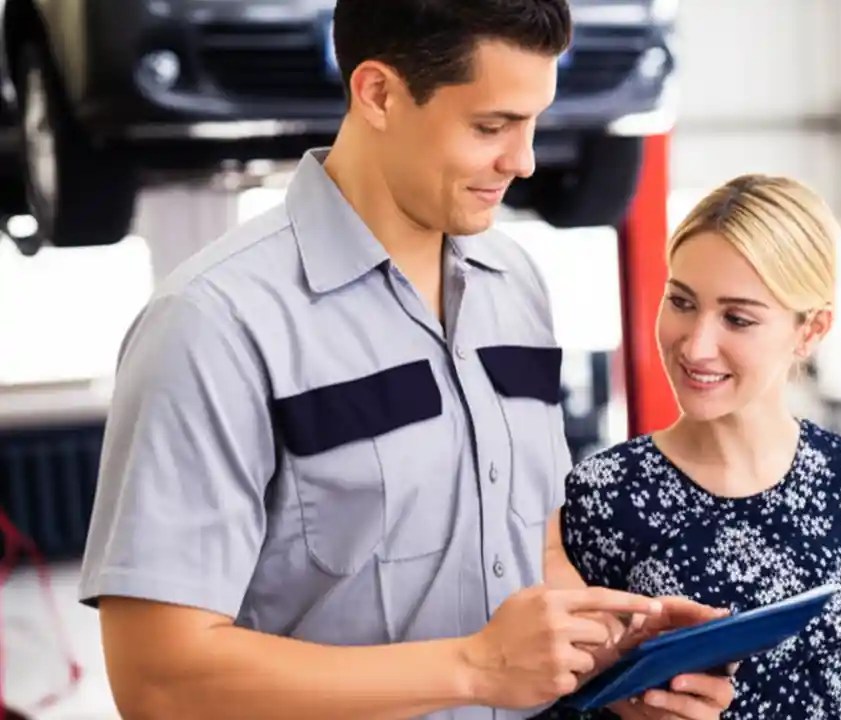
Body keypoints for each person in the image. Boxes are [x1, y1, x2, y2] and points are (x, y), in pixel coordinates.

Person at [76, 2, 733, 718]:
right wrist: (472, 668)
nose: (524, 160)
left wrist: (605, 669)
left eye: (533, 121)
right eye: (491, 126)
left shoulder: (516, 288)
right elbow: (160, 682)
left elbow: (531, 547)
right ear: (378, 94)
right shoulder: (214, 325)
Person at [544, 175, 841, 719]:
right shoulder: (604, 495)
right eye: (681, 302)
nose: (697, 345)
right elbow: (557, 699)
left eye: (738, 318)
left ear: (811, 329)